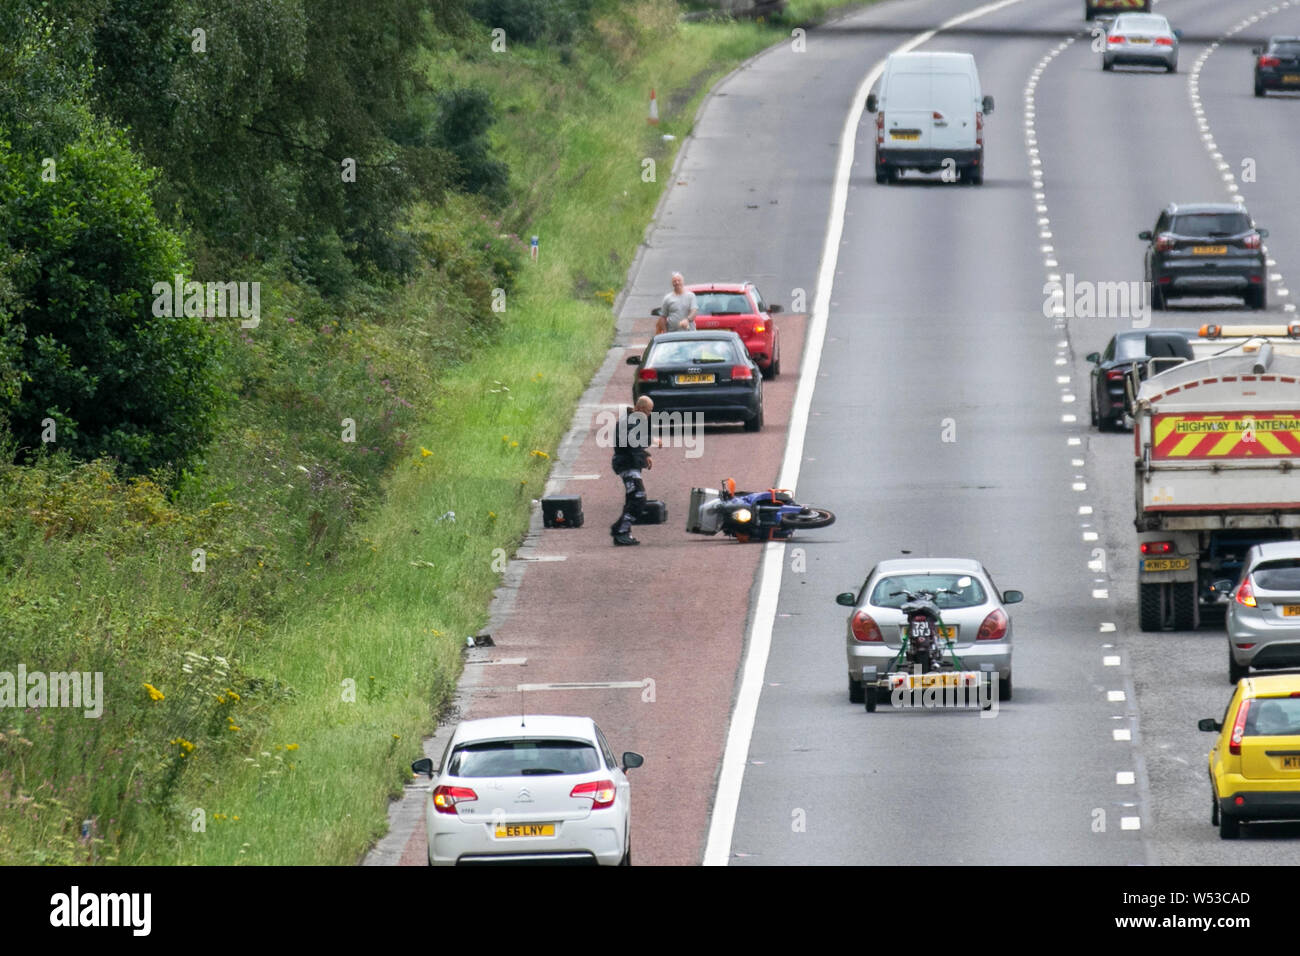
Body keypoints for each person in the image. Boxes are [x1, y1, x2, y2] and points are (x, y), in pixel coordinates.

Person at [610, 396, 654, 546]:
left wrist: (645, 455)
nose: (648, 415)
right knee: (638, 497)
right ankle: (619, 530)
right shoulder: (631, 421)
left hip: (629, 463)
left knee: (632, 498)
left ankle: (624, 531)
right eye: (648, 412)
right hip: (627, 465)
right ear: (641, 409)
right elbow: (632, 443)